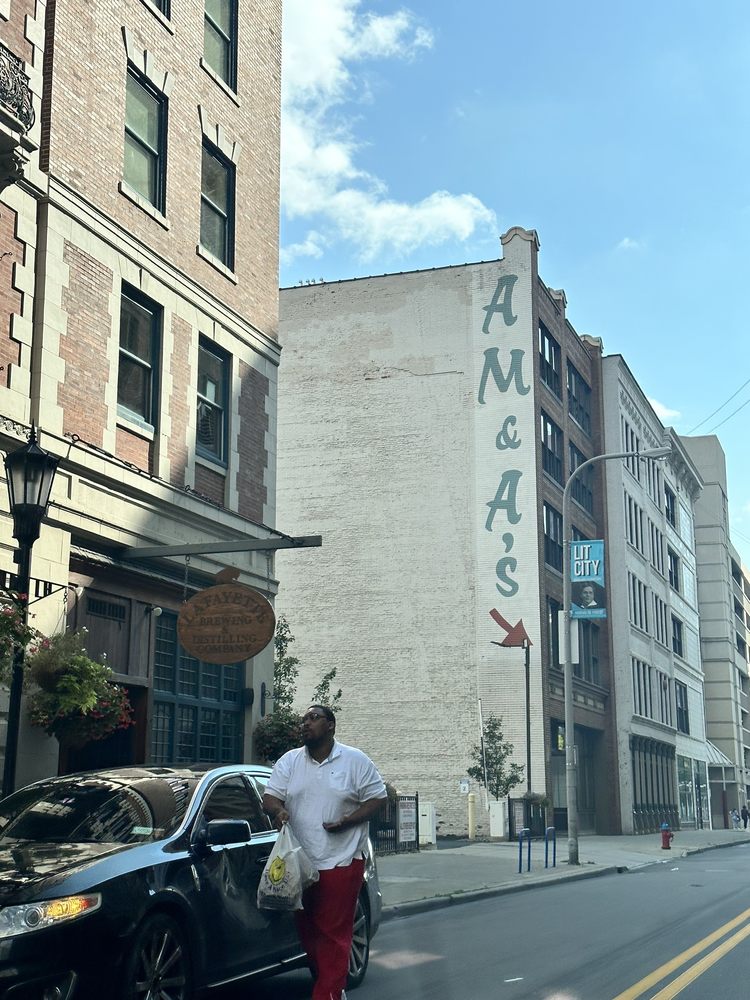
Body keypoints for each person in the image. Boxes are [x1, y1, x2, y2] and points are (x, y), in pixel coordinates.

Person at [263, 705, 387, 1000]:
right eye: (304, 719)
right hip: (300, 862)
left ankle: (326, 993)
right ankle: (334, 988)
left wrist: (348, 820)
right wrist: (279, 810)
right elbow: (270, 797)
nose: (306, 724)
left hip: (342, 859)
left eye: (314, 718)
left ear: (331, 725)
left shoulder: (355, 760)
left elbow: (378, 799)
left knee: (333, 933)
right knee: (310, 933)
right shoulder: (290, 761)